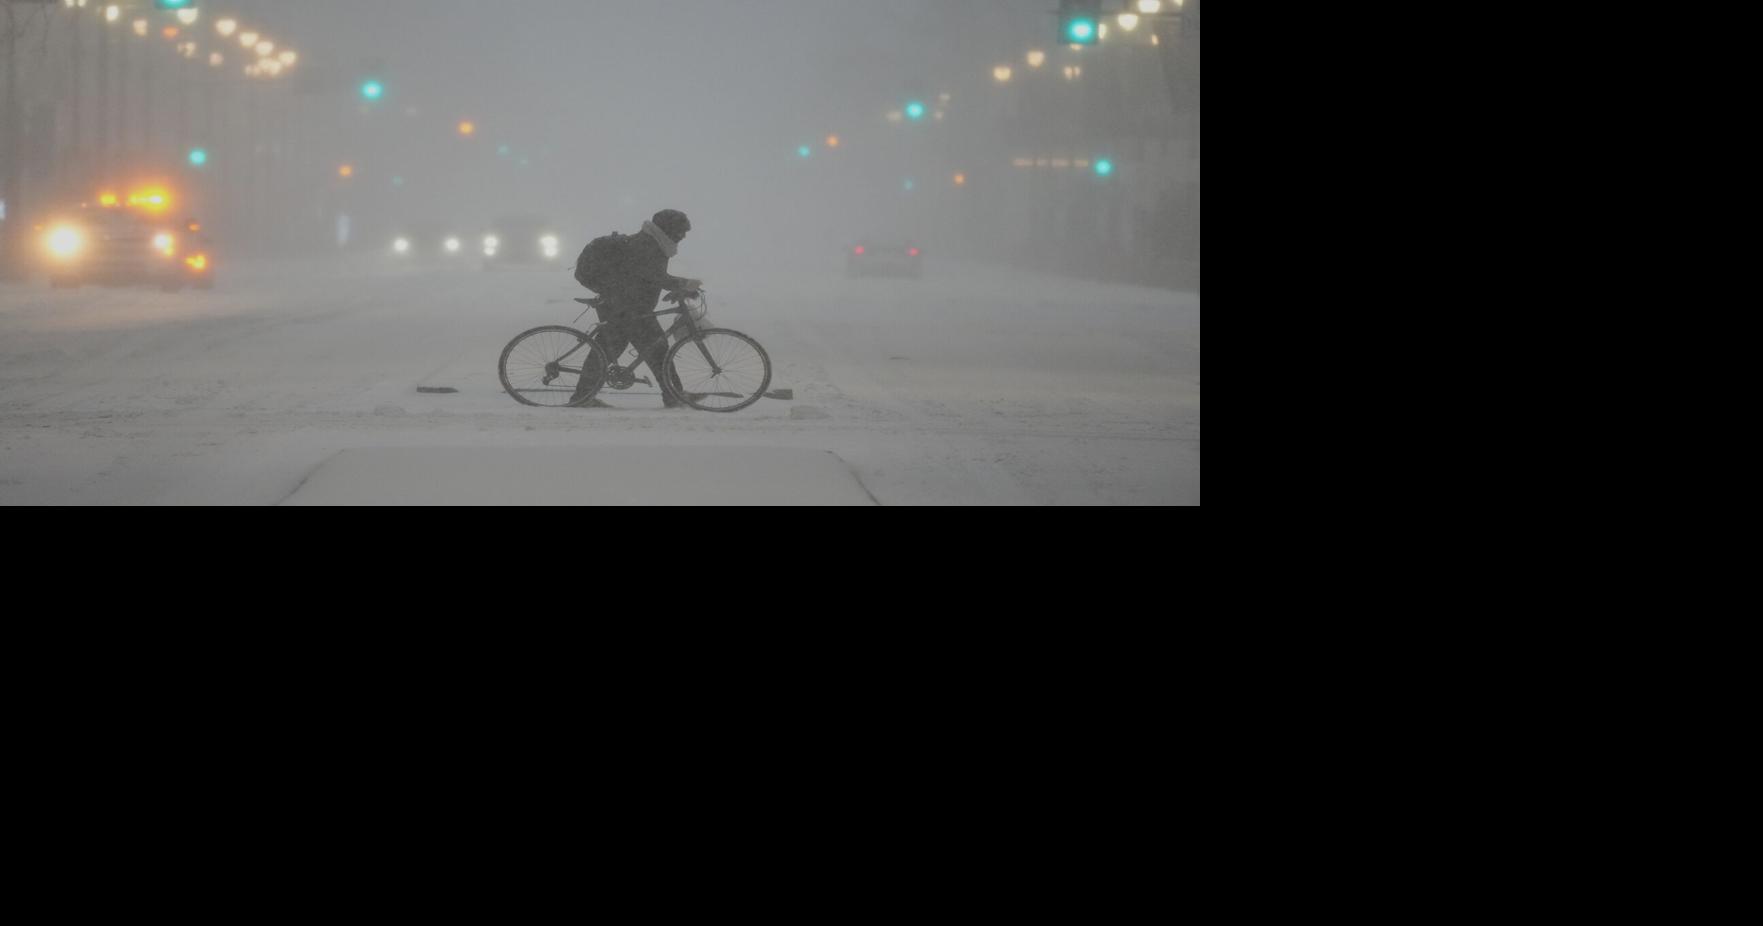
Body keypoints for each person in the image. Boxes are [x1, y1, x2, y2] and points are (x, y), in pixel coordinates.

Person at [571, 209, 703, 408]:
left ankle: (582, 396)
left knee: (612, 350)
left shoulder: (654, 243)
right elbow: (653, 275)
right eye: (681, 231)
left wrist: (677, 288)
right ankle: (674, 395)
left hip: (627, 306)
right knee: (656, 351)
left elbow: (645, 277)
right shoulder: (647, 245)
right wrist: (684, 284)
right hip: (628, 309)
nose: (683, 236)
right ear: (669, 229)